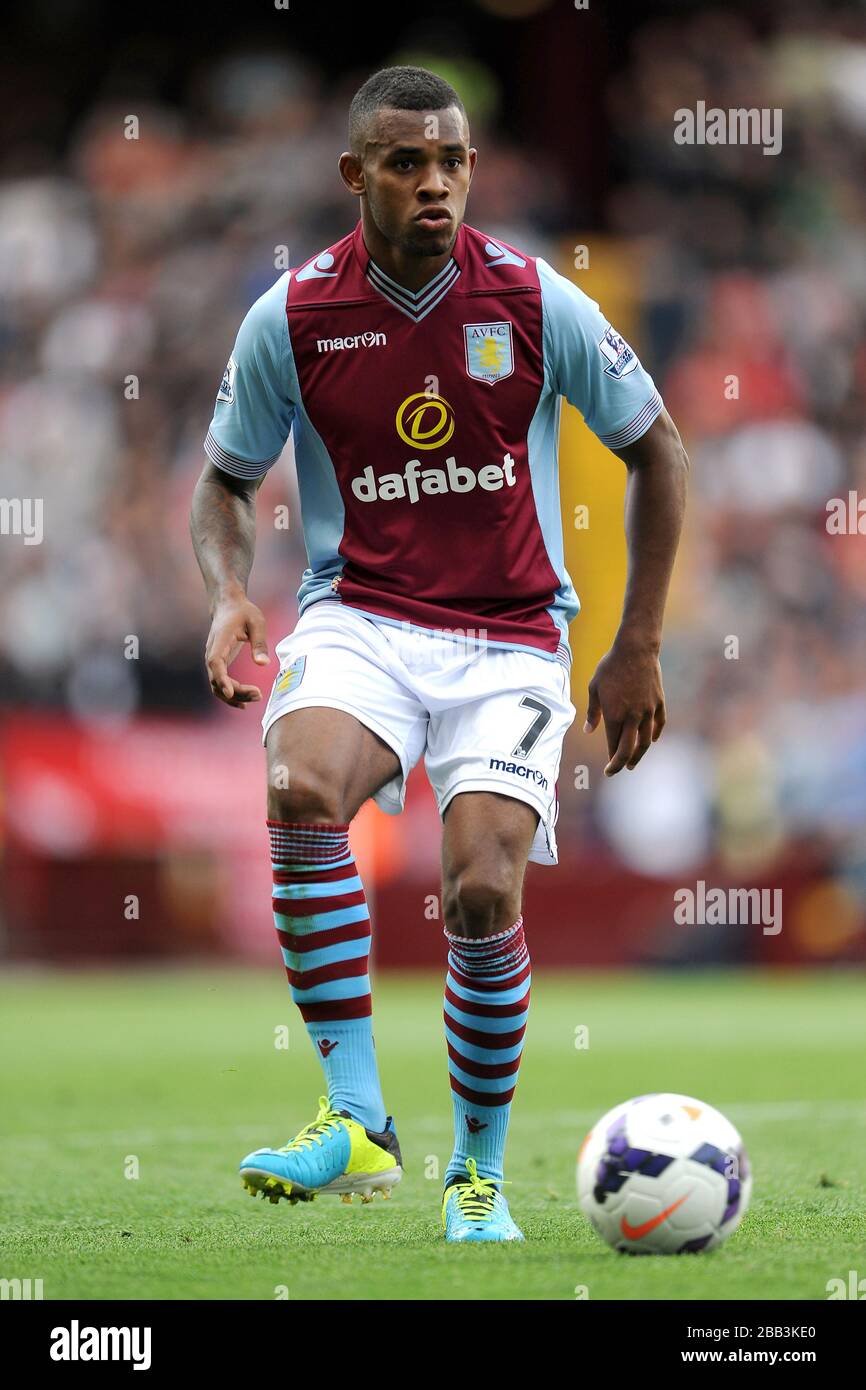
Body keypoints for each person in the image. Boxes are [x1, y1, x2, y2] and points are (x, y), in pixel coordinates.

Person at [190, 65, 688, 1243]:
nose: (435, 184)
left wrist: (638, 642)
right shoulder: (295, 315)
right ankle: (356, 1116)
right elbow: (221, 480)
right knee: (296, 781)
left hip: (510, 632)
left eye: (452, 161)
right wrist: (225, 593)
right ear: (356, 176)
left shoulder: (528, 296)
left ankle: (476, 1171)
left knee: (477, 885)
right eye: (407, 163)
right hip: (359, 614)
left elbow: (658, 450)